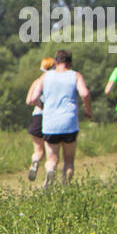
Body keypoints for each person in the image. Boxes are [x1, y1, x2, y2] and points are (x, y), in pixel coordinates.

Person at [31, 49, 92, 186]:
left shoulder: (45, 77)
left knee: (51, 159)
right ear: (70, 63)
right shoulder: (75, 75)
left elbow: (34, 98)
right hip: (69, 122)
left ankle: (50, 171)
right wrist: (88, 110)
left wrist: (43, 106)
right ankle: (65, 189)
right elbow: (85, 94)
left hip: (50, 123)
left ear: (56, 62)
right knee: (69, 161)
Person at [25, 57, 56, 181]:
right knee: (51, 152)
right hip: (51, 116)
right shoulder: (55, 81)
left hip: (37, 116)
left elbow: (29, 100)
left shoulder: (37, 81)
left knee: (38, 150)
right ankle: (49, 171)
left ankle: (35, 162)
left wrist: (39, 106)